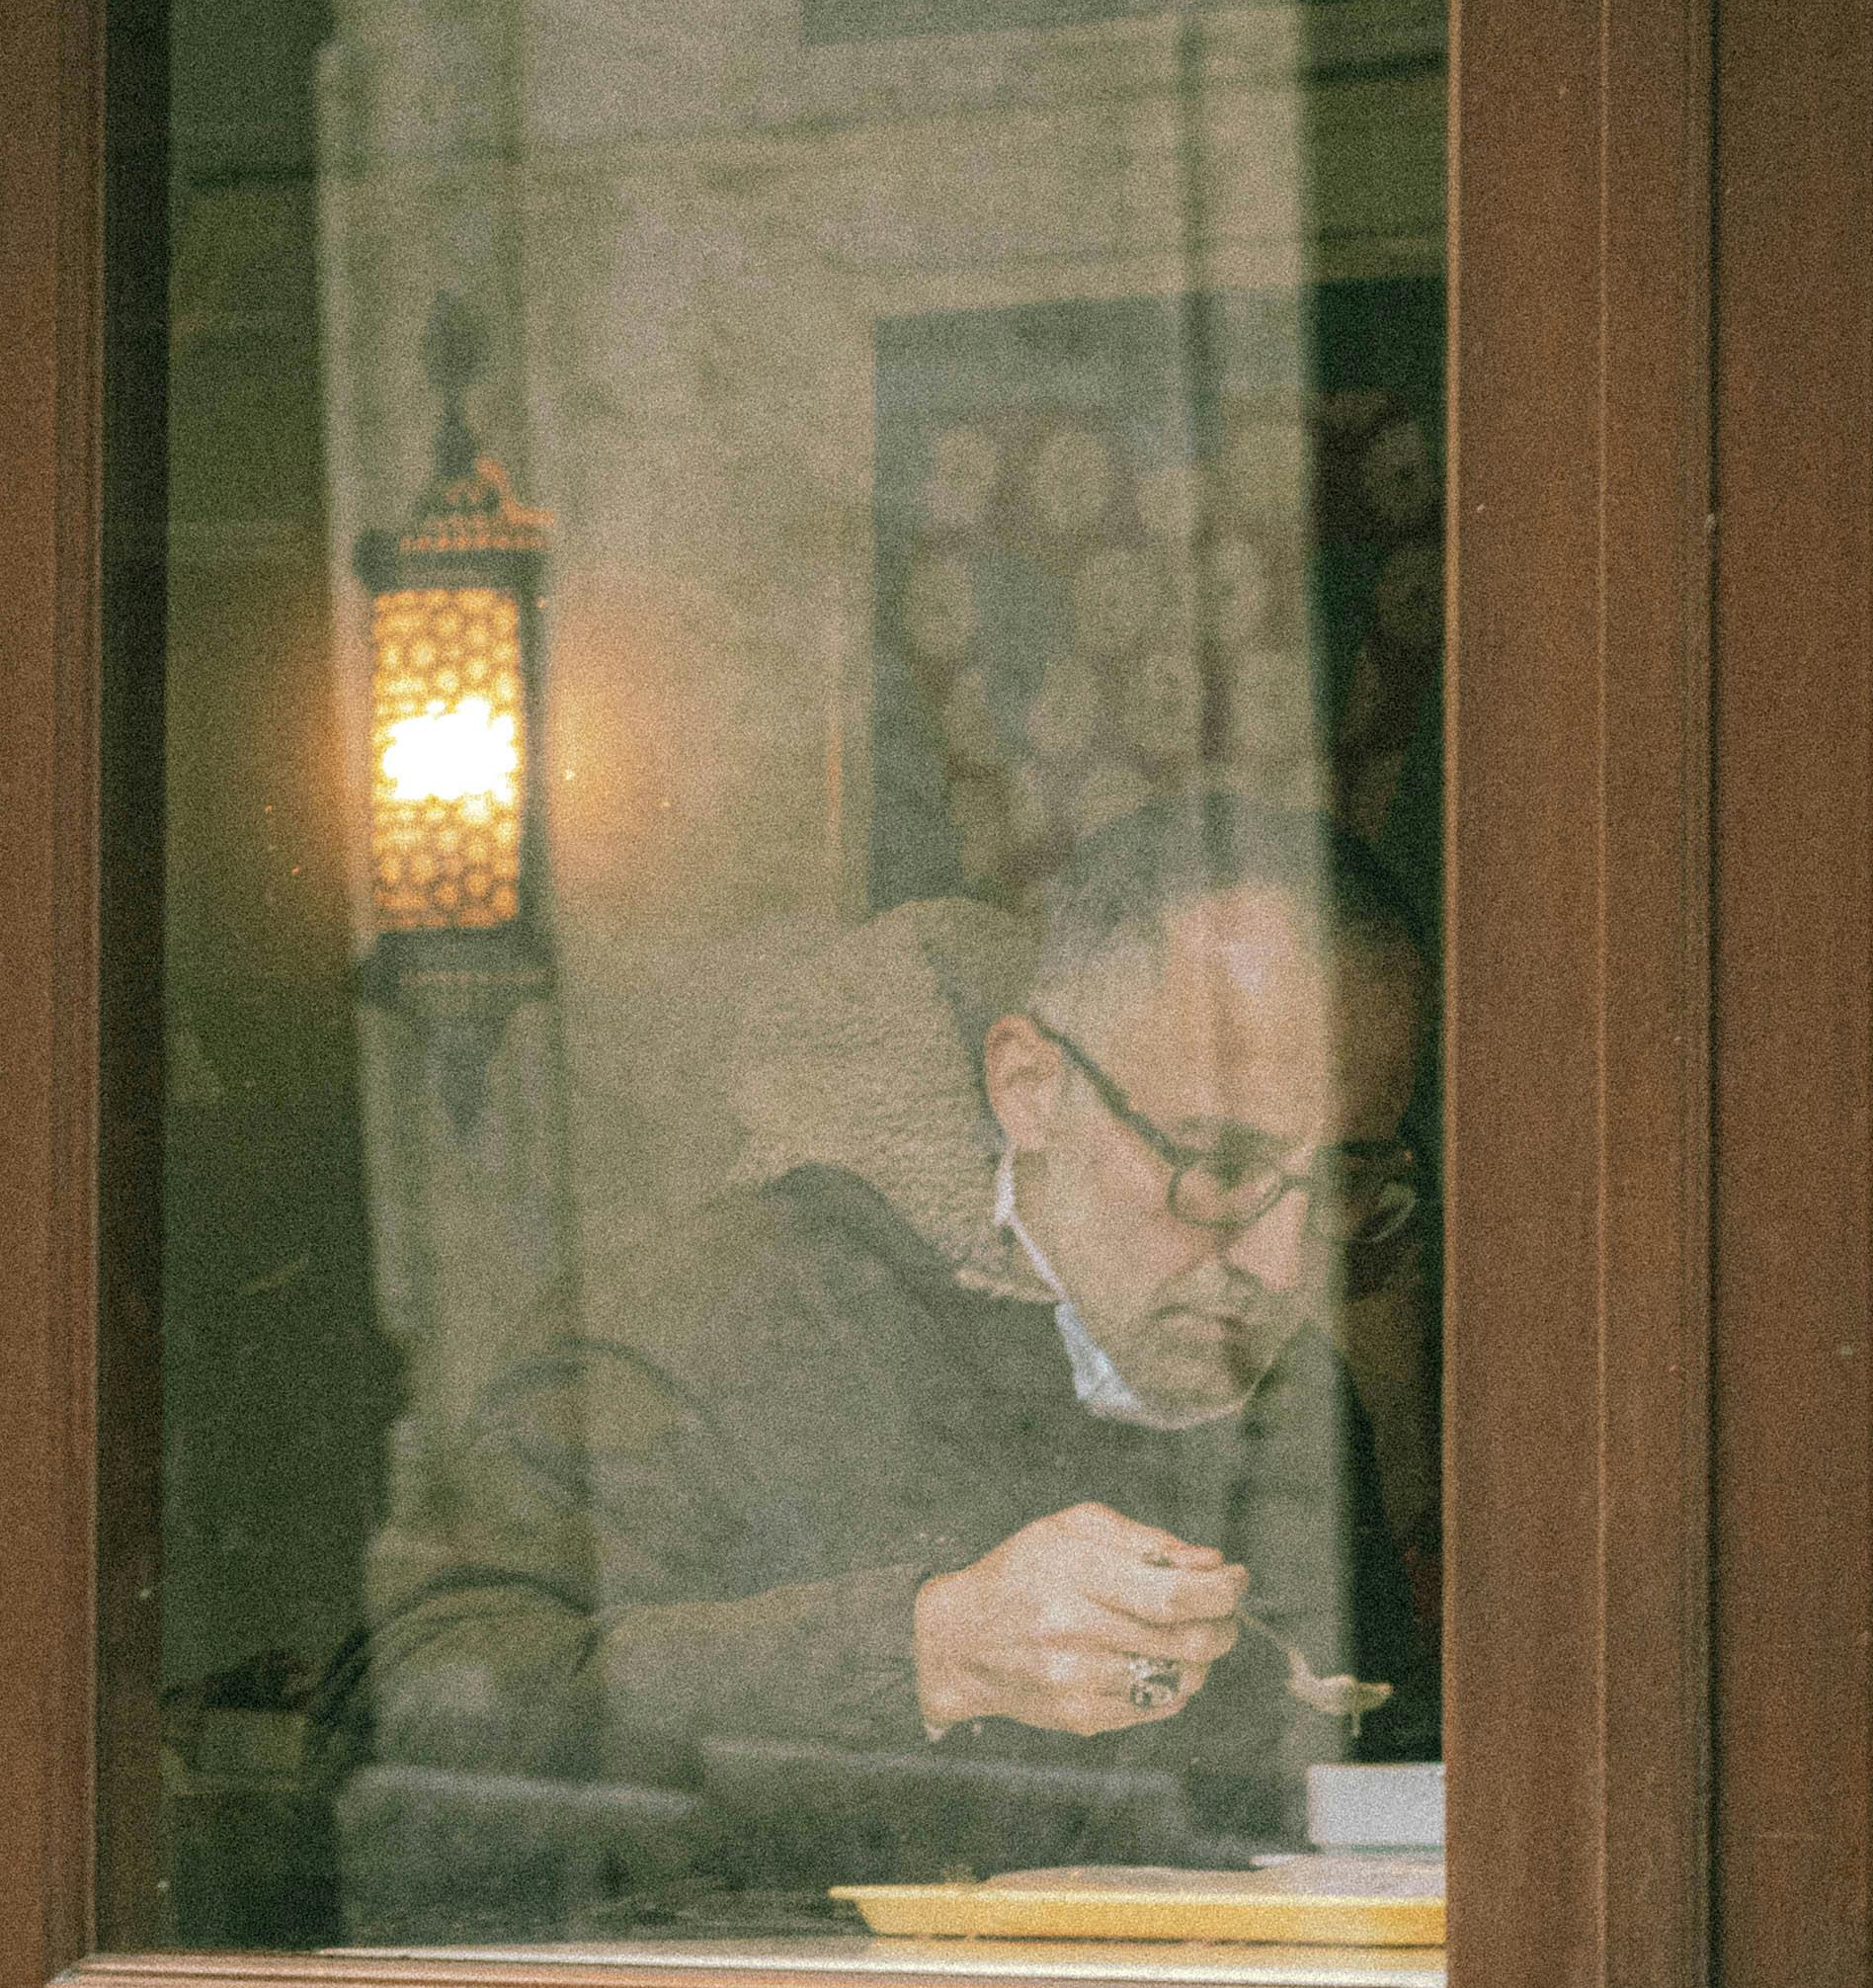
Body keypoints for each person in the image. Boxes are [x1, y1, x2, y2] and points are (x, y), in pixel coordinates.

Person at [352, 796, 1437, 1914]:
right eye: (1214, 1164)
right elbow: (407, 1716)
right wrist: (925, 1649)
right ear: (1031, 1088)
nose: (1275, 1260)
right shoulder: (709, 1321)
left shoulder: (1297, 1395)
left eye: (1341, 1179)